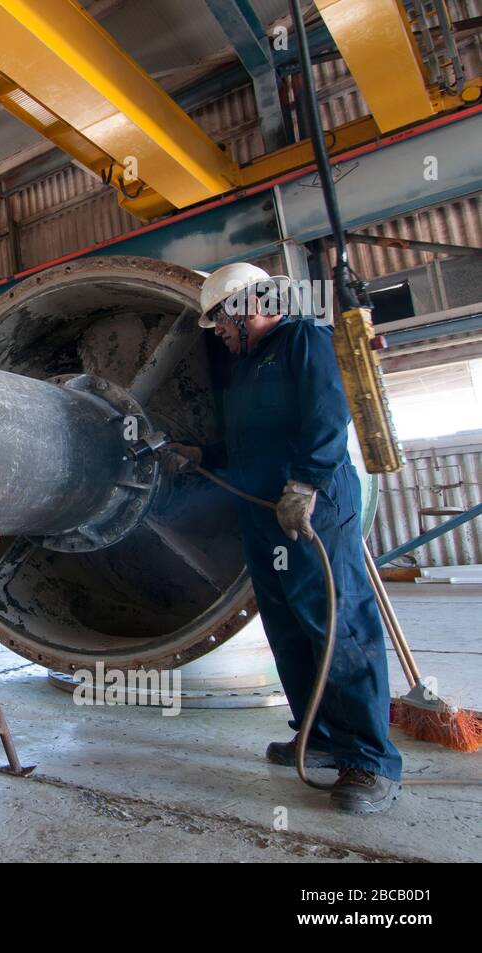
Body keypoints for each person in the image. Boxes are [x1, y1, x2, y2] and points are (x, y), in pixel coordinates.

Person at [168, 262, 402, 815]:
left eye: (220, 321)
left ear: (246, 307)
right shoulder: (245, 367)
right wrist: (203, 456)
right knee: (287, 624)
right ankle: (318, 736)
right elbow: (248, 442)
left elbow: (327, 415)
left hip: (313, 505)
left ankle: (370, 761)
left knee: (336, 622)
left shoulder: (306, 339)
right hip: (264, 512)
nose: (217, 333)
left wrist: (307, 482)